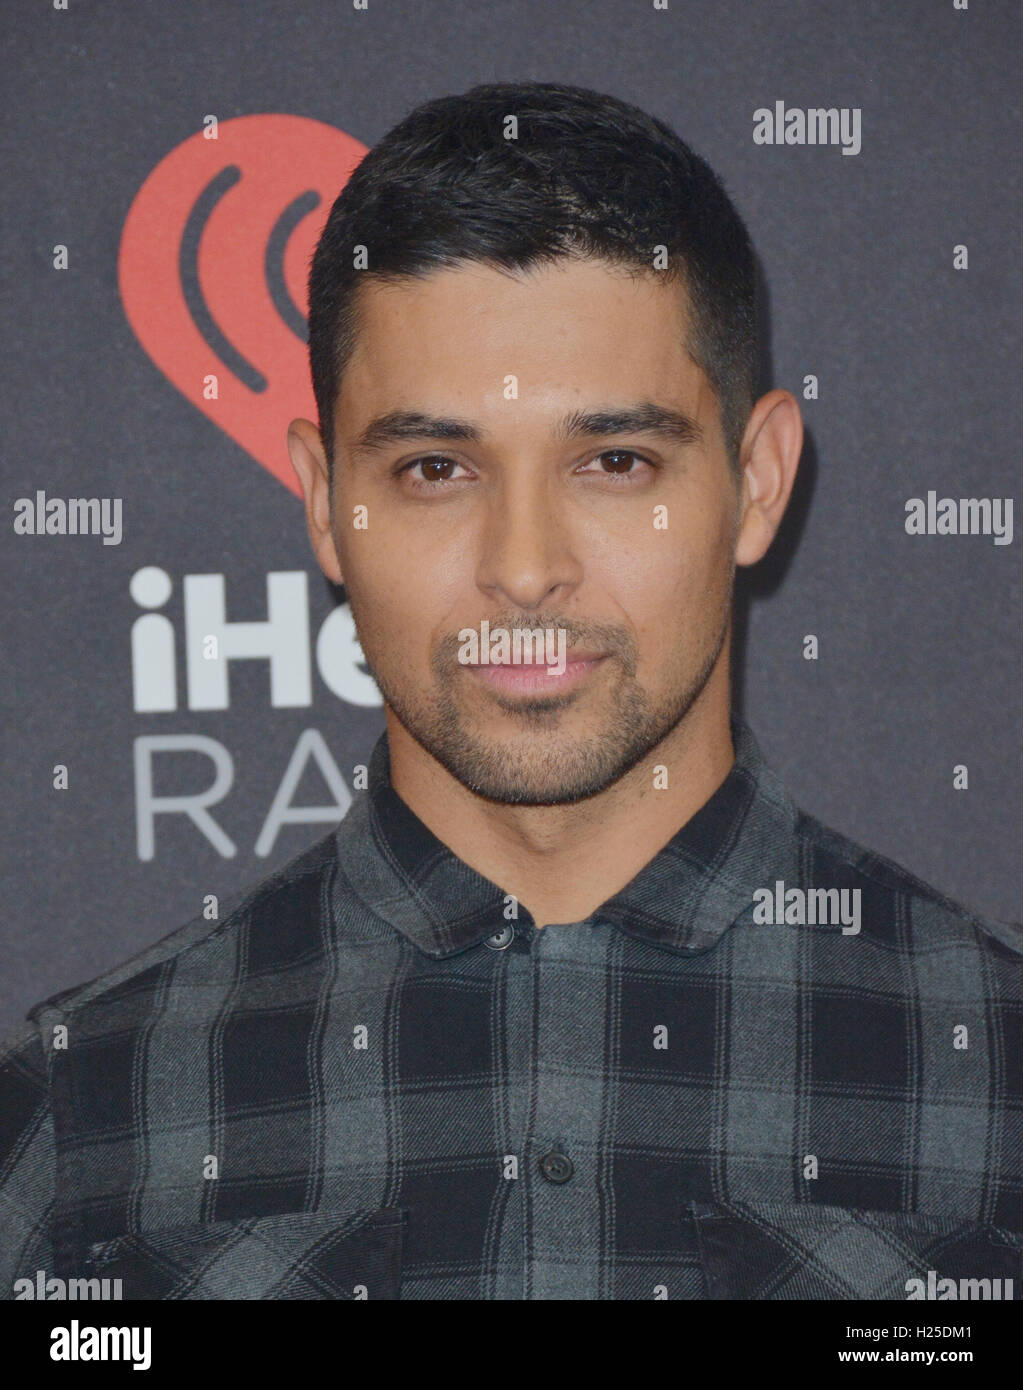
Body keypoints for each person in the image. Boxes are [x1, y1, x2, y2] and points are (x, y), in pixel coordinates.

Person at [2, 82, 1020, 1302]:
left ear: (756, 482)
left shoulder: (996, 1071)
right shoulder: (79, 1118)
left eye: (614, 461)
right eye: (436, 467)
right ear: (327, 501)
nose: (524, 566)